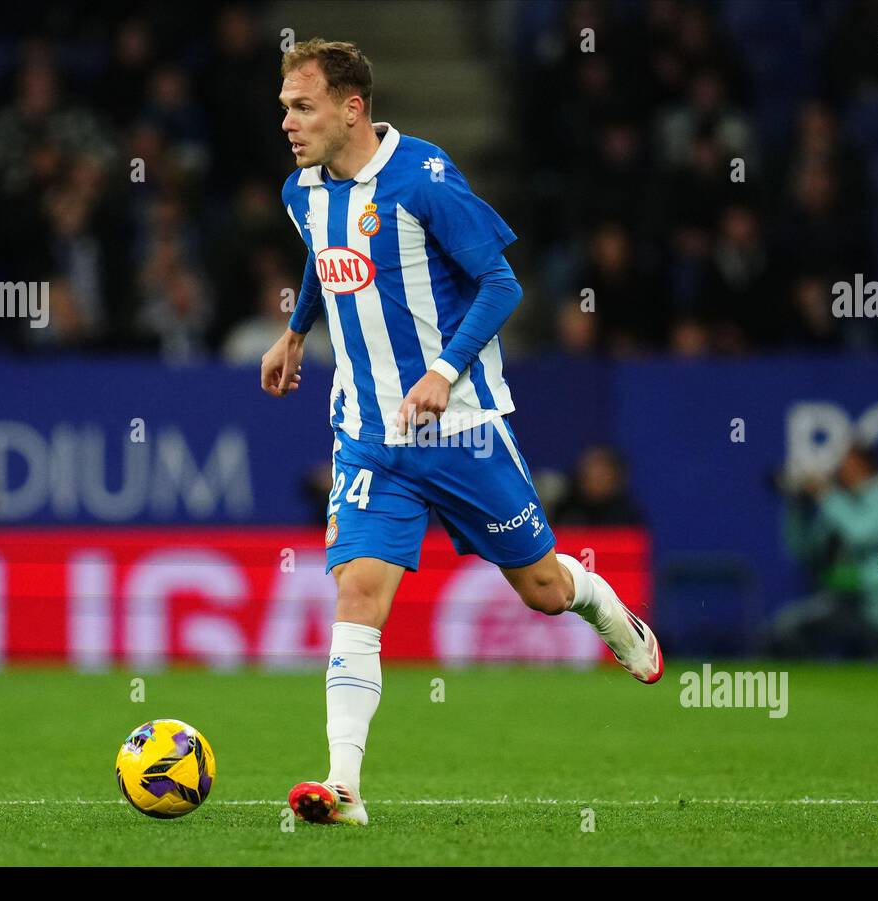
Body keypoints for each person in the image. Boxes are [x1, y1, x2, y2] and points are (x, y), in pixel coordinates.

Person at [261, 39, 663, 827]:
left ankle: (606, 609)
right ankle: (343, 787)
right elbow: (322, 255)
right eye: (283, 106)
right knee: (358, 593)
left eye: (301, 106)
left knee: (542, 588)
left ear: (352, 109)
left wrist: (444, 371)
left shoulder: (426, 179)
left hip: (463, 430)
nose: (286, 121)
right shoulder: (301, 190)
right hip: (369, 434)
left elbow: (500, 282)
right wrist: (296, 330)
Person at [768, 443, 878, 659]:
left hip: (871, 606)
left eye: (848, 463)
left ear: (866, 466)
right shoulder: (840, 502)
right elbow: (804, 551)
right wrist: (798, 508)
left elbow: (860, 534)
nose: (841, 469)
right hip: (834, 600)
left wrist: (826, 494)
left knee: (790, 627)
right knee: (784, 629)